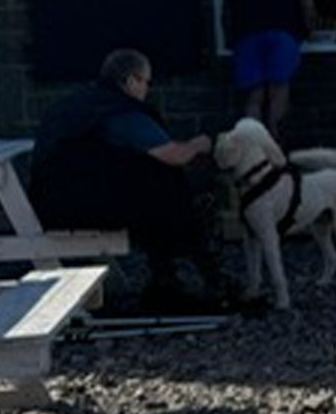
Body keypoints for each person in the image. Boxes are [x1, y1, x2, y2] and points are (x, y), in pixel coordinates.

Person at [29, 48, 228, 312]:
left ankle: (169, 281)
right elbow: (173, 155)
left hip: (51, 200)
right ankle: (197, 283)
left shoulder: (79, 103)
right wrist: (200, 144)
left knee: (154, 186)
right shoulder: (121, 112)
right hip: (81, 207)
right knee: (175, 191)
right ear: (131, 80)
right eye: (146, 81)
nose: (147, 88)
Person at [224, 0, 313, 138]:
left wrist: (228, 35)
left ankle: (254, 146)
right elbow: (306, 1)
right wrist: (308, 29)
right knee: (279, 91)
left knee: (254, 96)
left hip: (247, 34)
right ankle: (275, 142)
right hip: (283, 34)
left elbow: (226, 7)